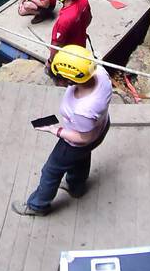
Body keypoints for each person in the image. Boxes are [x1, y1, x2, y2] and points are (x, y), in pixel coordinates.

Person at [12, 46, 112, 216]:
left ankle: (37, 206)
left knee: (51, 171)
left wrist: (55, 130)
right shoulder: (100, 72)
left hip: (77, 141)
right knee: (81, 157)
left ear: (70, 79)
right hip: (101, 127)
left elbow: (83, 138)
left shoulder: (84, 108)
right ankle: (76, 186)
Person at [48, 0, 92, 65]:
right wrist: (80, 30)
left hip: (68, 54)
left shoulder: (64, 19)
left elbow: (55, 45)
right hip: (81, 46)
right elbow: (89, 18)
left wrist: (50, 61)